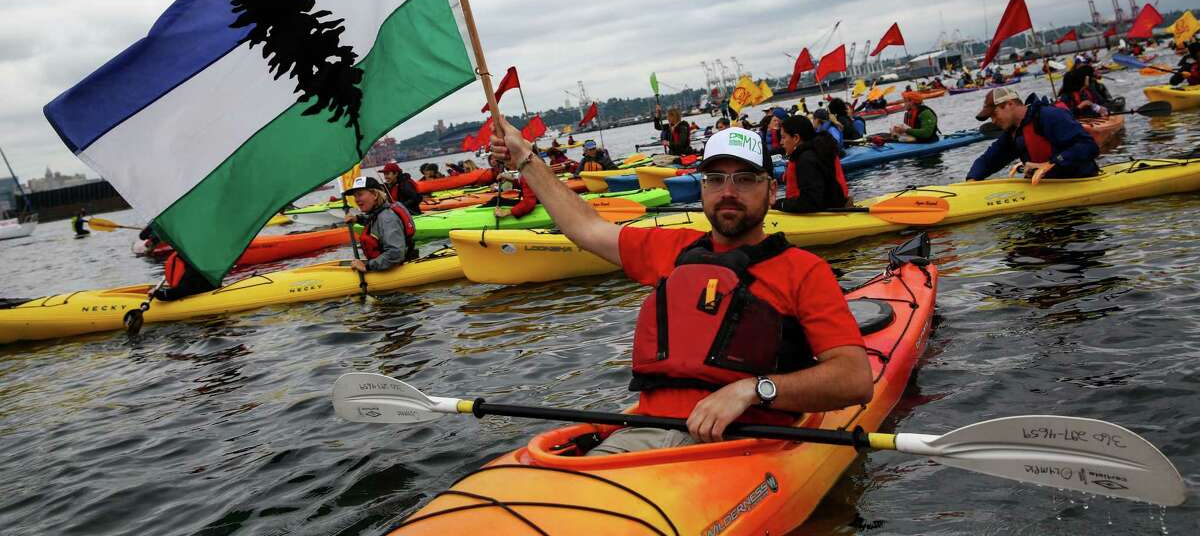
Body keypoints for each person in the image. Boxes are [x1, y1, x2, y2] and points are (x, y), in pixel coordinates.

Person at [490, 122, 872, 453]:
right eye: (715, 179)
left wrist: (753, 390)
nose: (728, 191)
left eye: (744, 180)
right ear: (703, 188)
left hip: (747, 440)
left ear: (771, 192)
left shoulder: (805, 271)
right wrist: (526, 158)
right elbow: (586, 227)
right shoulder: (673, 249)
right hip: (649, 432)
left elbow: (854, 379)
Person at [967, 88, 1100, 183]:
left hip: (1079, 181)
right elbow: (988, 160)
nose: (994, 121)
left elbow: (1089, 146)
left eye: (994, 114)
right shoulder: (1013, 132)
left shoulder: (1050, 116)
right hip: (1046, 187)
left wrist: (1051, 163)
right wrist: (971, 181)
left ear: (1009, 104)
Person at [773, 116, 849, 213]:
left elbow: (810, 202)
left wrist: (778, 204)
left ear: (796, 138)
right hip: (837, 207)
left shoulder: (806, 159)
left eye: (783, 137)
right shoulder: (820, 149)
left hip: (822, 215)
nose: (781, 142)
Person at [342, 176, 416, 271]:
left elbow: (396, 253)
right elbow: (375, 221)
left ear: (375, 195)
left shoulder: (387, 218)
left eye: (360, 194)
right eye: (355, 196)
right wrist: (357, 219)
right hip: (387, 263)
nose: (356, 199)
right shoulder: (380, 212)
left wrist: (367, 266)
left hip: (397, 267)